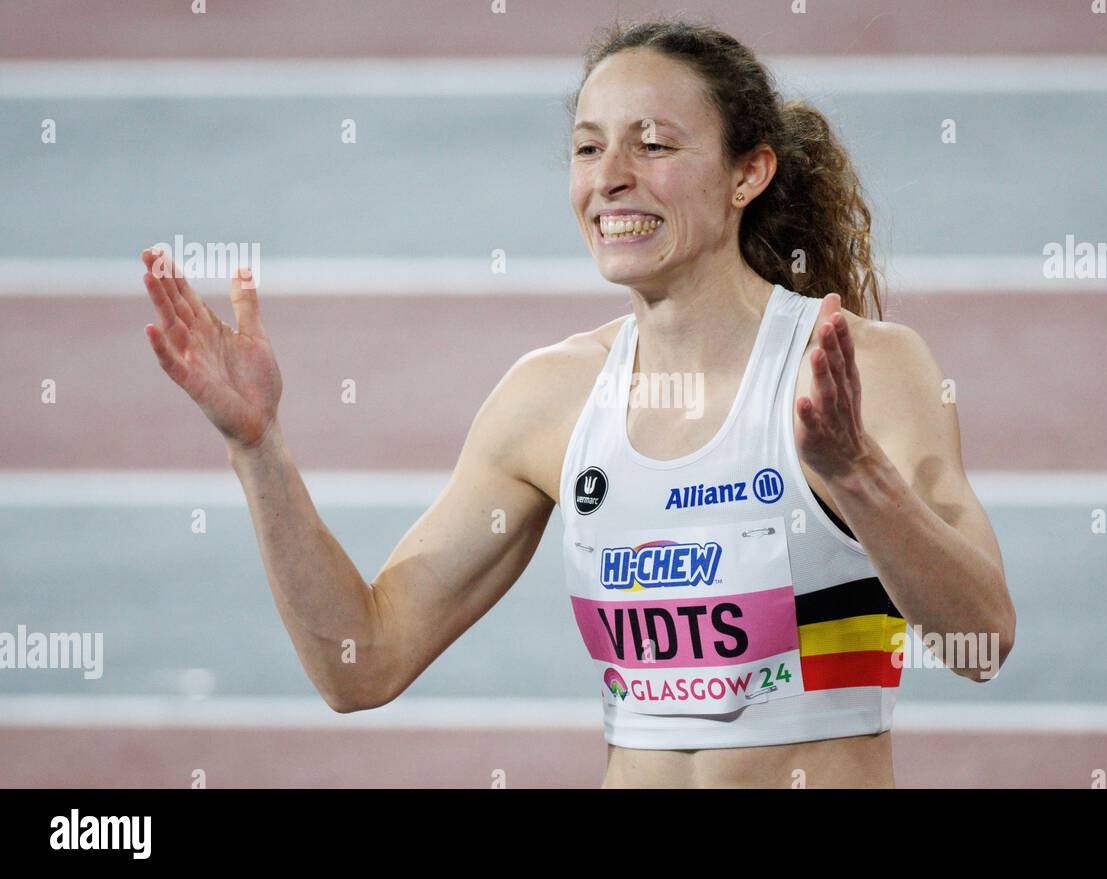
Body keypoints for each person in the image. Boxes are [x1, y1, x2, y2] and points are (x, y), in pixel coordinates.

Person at [139, 18, 1014, 788]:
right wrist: (257, 446)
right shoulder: (550, 399)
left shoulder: (861, 367)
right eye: (590, 148)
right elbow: (360, 662)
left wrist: (856, 475)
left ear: (748, 173)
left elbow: (983, 637)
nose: (613, 178)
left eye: (655, 145)